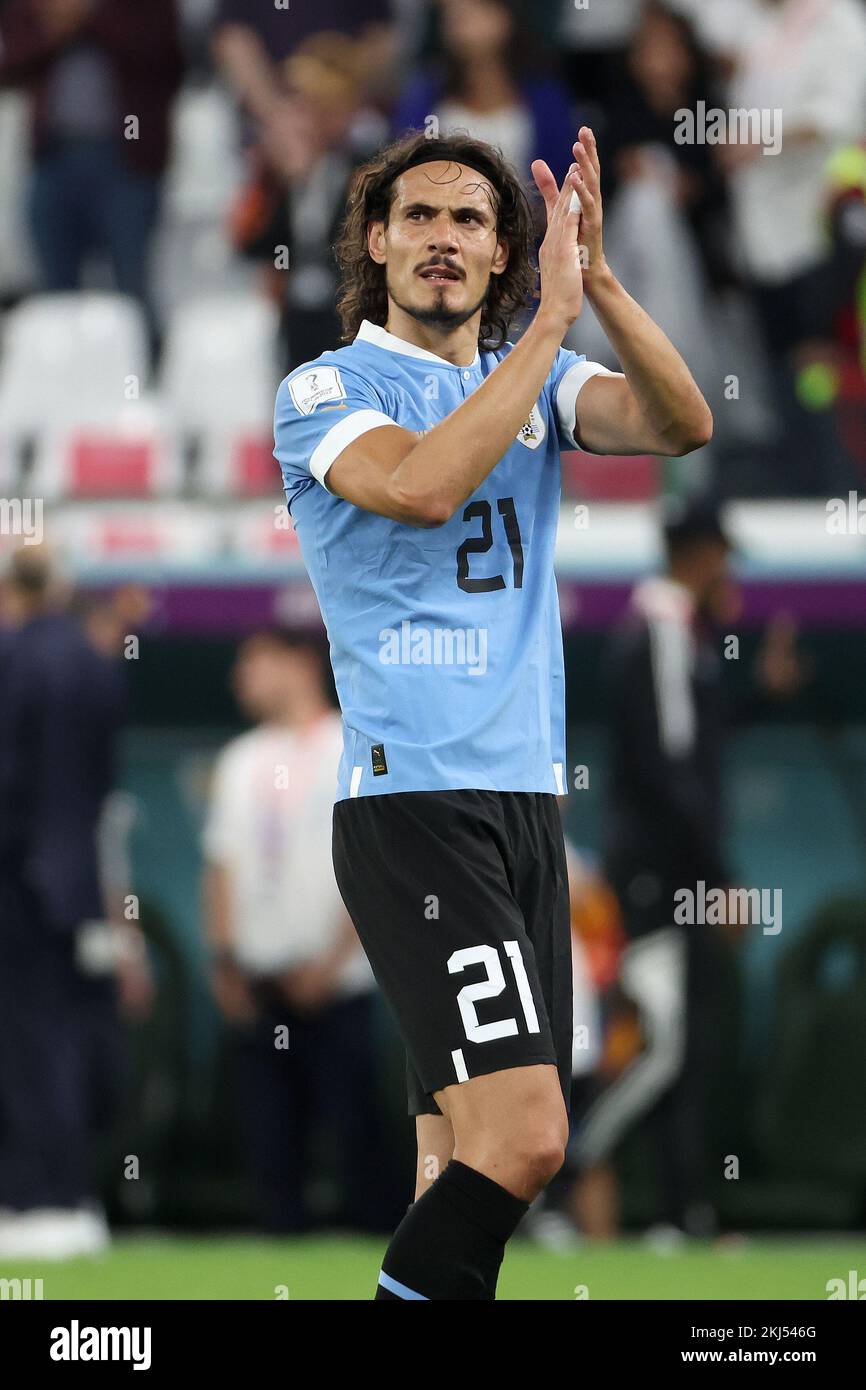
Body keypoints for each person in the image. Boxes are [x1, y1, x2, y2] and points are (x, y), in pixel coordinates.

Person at [273, 124, 712, 1299]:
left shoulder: (539, 372)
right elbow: (418, 485)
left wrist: (602, 285)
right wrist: (550, 327)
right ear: (375, 238)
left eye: (473, 220)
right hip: (415, 803)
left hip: (523, 805)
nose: (443, 239)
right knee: (528, 1140)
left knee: (458, 1169)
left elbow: (679, 424)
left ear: (506, 251)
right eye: (419, 216)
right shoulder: (327, 386)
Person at [570, 495, 803, 1238]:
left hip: (670, 876)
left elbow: (694, 741)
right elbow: (671, 772)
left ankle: (681, 1216)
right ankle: (561, 1172)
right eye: (723, 557)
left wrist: (758, 694)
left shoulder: (684, 637)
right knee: (663, 1049)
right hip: (660, 882)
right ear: (699, 556)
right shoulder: (663, 630)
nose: (728, 572)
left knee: (684, 1046)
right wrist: (720, 881)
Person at [201, 628, 396, 1234]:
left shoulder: (355, 744)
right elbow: (221, 865)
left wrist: (335, 960)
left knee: (357, 1133)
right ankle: (279, 1247)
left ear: (300, 661)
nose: (241, 676)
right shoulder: (241, 759)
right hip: (261, 986)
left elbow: (377, 864)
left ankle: (383, 1259)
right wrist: (225, 963)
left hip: (337, 984)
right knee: (269, 1143)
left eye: (254, 659)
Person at [0, 546, 135, 1258]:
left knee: (30, 1046)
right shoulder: (93, 663)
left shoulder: (15, 655)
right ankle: (69, 1198)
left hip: (20, 882)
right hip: (76, 885)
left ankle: (37, 1201)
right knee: (64, 1040)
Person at [0, 0, 184, 332]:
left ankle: (142, 379)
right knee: (54, 294)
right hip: (54, 159)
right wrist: (58, 28)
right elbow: (13, 62)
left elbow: (165, 56)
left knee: (131, 285)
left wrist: (87, 15)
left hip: (127, 162)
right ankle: (61, 374)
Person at [392, 0, 579, 193]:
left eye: (475, 11)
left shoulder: (544, 97)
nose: (461, 22)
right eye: (454, 15)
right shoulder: (426, 93)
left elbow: (564, 173)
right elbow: (403, 162)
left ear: (504, 17)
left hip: (529, 218)